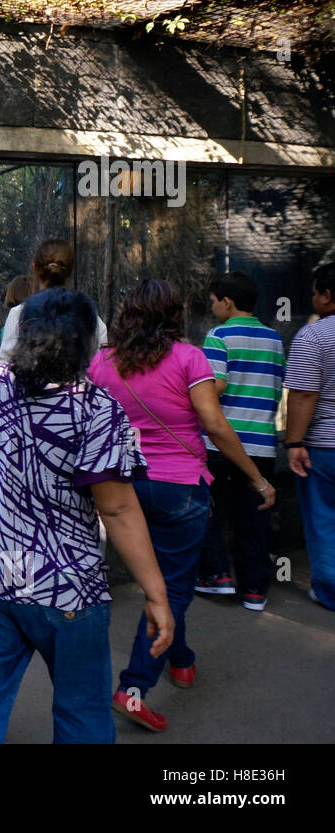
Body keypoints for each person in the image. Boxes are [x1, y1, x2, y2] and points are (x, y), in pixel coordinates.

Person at [0, 289, 174, 744]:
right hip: (66, 588)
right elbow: (116, 507)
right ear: (89, 343)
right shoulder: (98, 411)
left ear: (21, 335)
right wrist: (157, 594)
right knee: (82, 711)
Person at [88, 278, 276, 732]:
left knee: (167, 580)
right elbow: (213, 423)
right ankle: (133, 688)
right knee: (172, 585)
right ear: (174, 314)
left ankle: (183, 658)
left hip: (121, 488)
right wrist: (257, 478)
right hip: (178, 488)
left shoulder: (102, 362)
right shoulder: (190, 357)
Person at [195, 272, 285, 610]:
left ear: (226, 301)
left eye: (214, 301)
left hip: (222, 443)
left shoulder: (218, 335)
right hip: (261, 444)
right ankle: (255, 590)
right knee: (255, 516)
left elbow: (214, 387)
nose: (213, 307)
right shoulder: (274, 337)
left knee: (210, 509)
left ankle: (217, 574)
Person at [283, 262, 335, 611]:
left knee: (323, 518)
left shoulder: (313, 337)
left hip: (325, 447)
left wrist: (294, 442)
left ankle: (330, 590)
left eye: (315, 293)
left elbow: (302, 395)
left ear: (327, 297)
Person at [0, 239, 108, 364]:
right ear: (72, 270)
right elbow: (99, 368)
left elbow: (3, 366)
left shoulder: (19, 314)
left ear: (34, 267)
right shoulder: (91, 318)